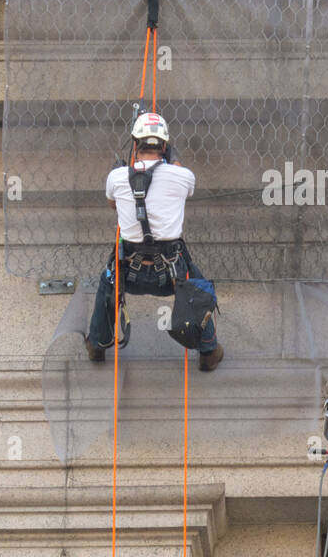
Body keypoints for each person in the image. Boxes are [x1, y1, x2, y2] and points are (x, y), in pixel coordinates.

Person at [85, 111, 224, 371]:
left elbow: (112, 205)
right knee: (197, 286)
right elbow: (182, 181)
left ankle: (96, 344)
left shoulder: (116, 177)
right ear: (164, 146)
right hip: (172, 274)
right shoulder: (182, 176)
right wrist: (173, 158)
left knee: (107, 284)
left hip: (129, 274)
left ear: (135, 145)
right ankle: (209, 351)